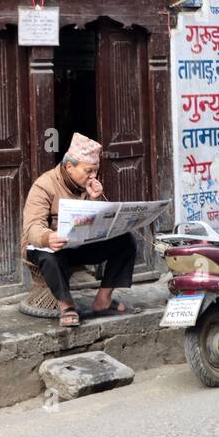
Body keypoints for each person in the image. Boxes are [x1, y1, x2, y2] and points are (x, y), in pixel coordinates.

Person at [21, 132, 136, 328]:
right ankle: (66, 305)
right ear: (69, 167)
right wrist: (48, 237)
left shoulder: (86, 186)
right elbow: (32, 227)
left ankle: (103, 300)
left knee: (126, 240)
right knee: (50, 255)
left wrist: (94, 200)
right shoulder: (44, 185)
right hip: (49, 247)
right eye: (88, 171)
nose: (93, 176)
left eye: (95, 171)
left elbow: (90, 224)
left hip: (78, 245)